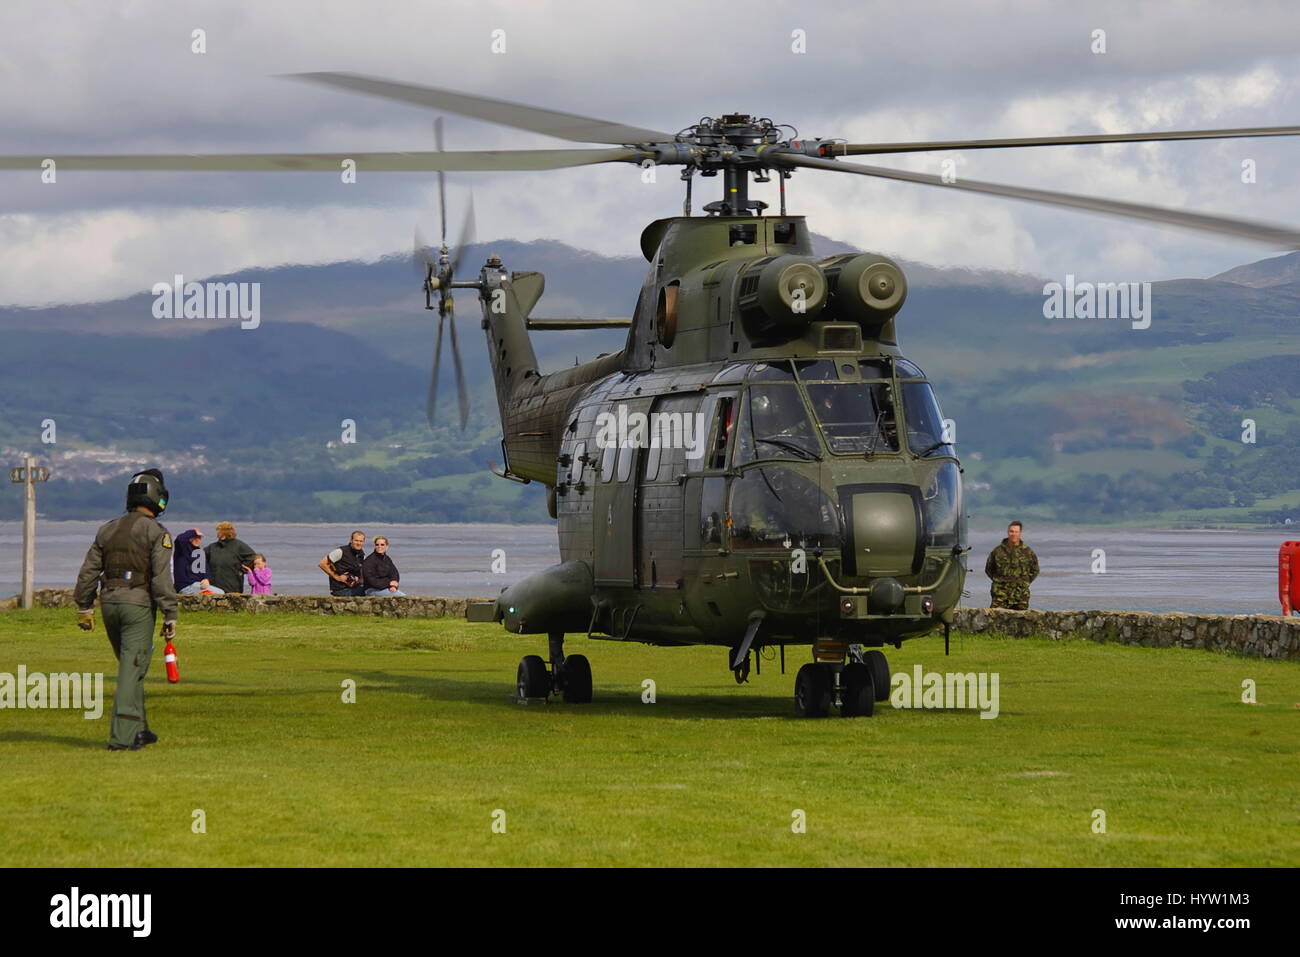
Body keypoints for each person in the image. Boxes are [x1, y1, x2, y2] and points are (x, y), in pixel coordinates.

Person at [73, 468, 178, 751]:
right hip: (138, 606)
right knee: (132, 670)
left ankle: (140, 728)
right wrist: (170, 613)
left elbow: (88, 573)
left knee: (132, 667)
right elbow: (161, 577)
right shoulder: (157, 532)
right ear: (158, 498)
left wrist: (84, 607)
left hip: (109, 605)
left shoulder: (107, 529)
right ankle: (122, 738)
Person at [984, 520, 1040, 610]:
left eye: (1016, 532)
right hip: (1000, 594)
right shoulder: (997, 551)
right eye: (1011, 531)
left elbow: (1035, 570)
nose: (1013, 534)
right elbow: (989, 569)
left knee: (1021, 621)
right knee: (996, 620)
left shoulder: (1028, 552)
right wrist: (999, 581)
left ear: (1020, 533)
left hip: (1021, 595)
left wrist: (1025, 582)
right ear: (1008, 532)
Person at [205, 521, 255, 594]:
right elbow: (200, 558)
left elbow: (252, 557)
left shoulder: (238, 545)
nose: (217, 533)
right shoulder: (212, 547)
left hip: (233, 585)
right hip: (214, 585)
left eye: (219, 531)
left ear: (226, 532)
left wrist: (242, 570)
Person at [173, 528, 224, 595]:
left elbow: (205, 569)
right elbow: (180, 539)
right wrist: (193, 532)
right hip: (186, 586)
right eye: (195, 537)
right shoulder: (182, 550)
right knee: (220, 593)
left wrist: (206, 579)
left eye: (199, 538)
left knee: (219, 593)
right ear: (190, 539)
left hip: (198, 585)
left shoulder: (200, 553)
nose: (198, 540)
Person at [320, 530, 367, 596]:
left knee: (371, 589)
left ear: (363, 542)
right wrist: (336, 576)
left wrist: (359, 580)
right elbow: (322, 563)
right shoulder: (340, 551)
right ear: (351, 540)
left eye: (361, 541)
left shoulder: (361, 555)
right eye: (356, 540)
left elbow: (362, 573)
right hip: (340, 589)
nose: (358, 543)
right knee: (369, 592)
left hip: (354, 587)